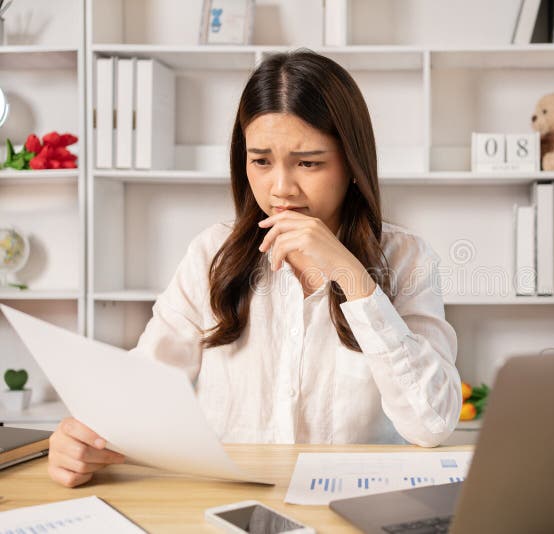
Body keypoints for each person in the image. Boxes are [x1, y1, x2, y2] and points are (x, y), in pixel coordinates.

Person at [47, 50, 461, 488]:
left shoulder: (407, 258)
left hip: (354, 506)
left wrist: (352, 276)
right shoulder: (212, 253)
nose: (281, 188)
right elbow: (143, 389)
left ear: (352, 165)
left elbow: (431, 424)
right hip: (231, 506)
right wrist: (82, 438)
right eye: (261, 161)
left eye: (308, 163)